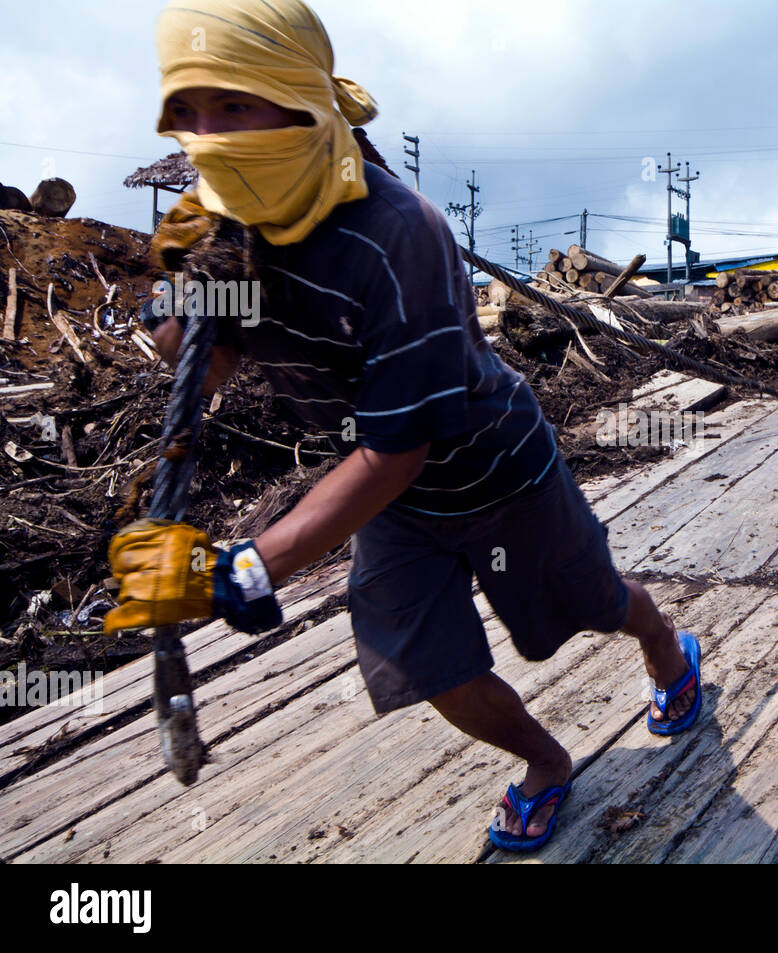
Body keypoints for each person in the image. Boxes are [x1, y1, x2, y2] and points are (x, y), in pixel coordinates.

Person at [106, 0, 701, 852]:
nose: (208, 135)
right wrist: (183, 284)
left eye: (235, 105)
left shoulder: (394, 234)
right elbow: (201, 359)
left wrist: (238, 570)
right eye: (188, 111)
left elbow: (398, 449)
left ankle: (666, 650)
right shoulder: (225, 221)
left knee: (595, 602)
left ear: (297, 100)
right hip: (390, 504)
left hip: (495, 470)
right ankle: (546, 761)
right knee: (429, 663)